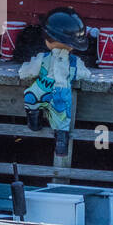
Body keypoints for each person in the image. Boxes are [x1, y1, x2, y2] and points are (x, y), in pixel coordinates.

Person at [19, 8, 92, 155]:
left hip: (42, 89)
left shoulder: (42, 58)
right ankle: (61, 141)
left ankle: (34, 119)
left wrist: (23, 70)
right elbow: (85, 74)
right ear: (73, 45)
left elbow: (28, 71)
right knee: (62, 117)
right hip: (62, 92)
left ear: (47, 39)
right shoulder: (74, 61)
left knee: (30, 98)